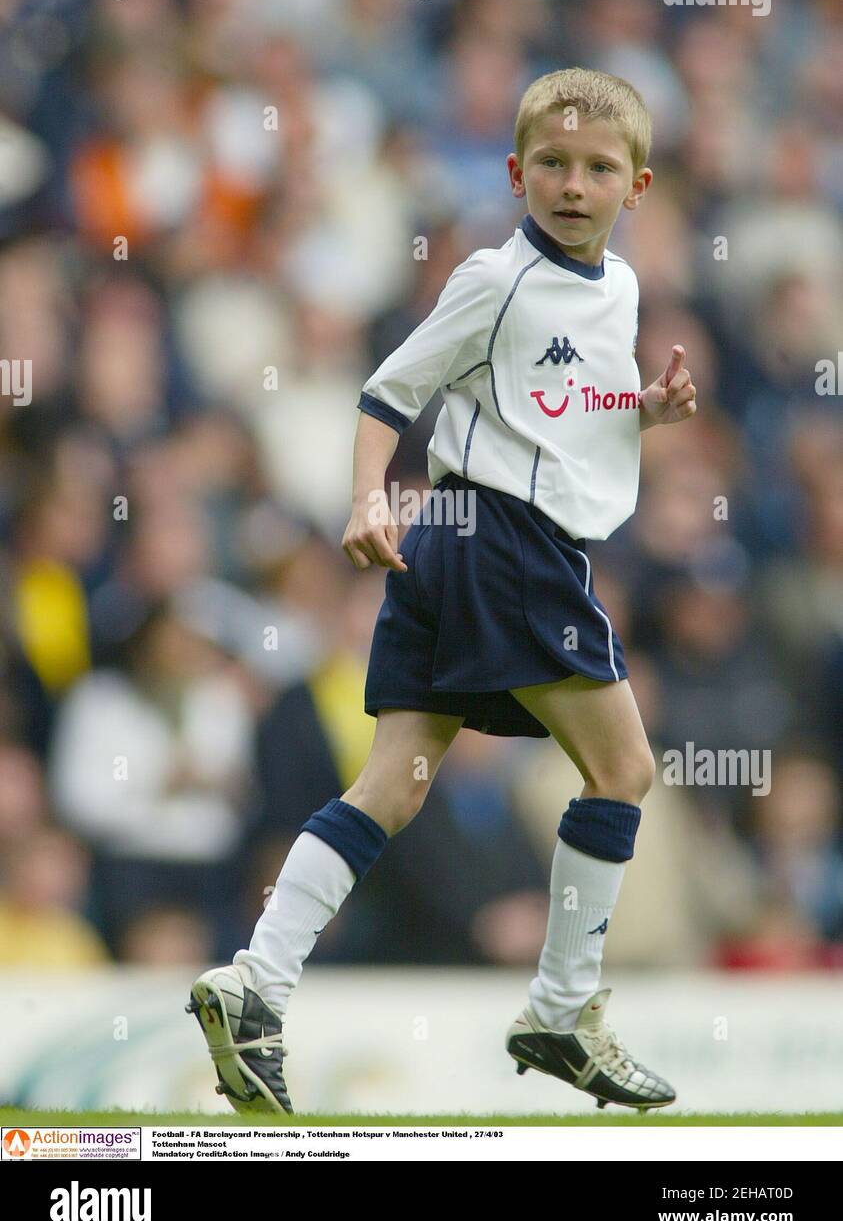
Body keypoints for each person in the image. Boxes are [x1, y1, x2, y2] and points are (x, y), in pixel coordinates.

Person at [187, 67, 698, 1116]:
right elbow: (392, 386)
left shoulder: (620, 290)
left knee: (394, 783)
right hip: (506, 543)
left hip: (458, 551)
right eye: (551, 164)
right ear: (515, 173)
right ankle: (561, 1011)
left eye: (597, 167)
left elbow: (554, 403)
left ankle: (254, 984)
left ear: (636, 186)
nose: (571, 183)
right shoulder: (495, 275)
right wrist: (364, 494)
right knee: (624, 767)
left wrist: (641, 410)